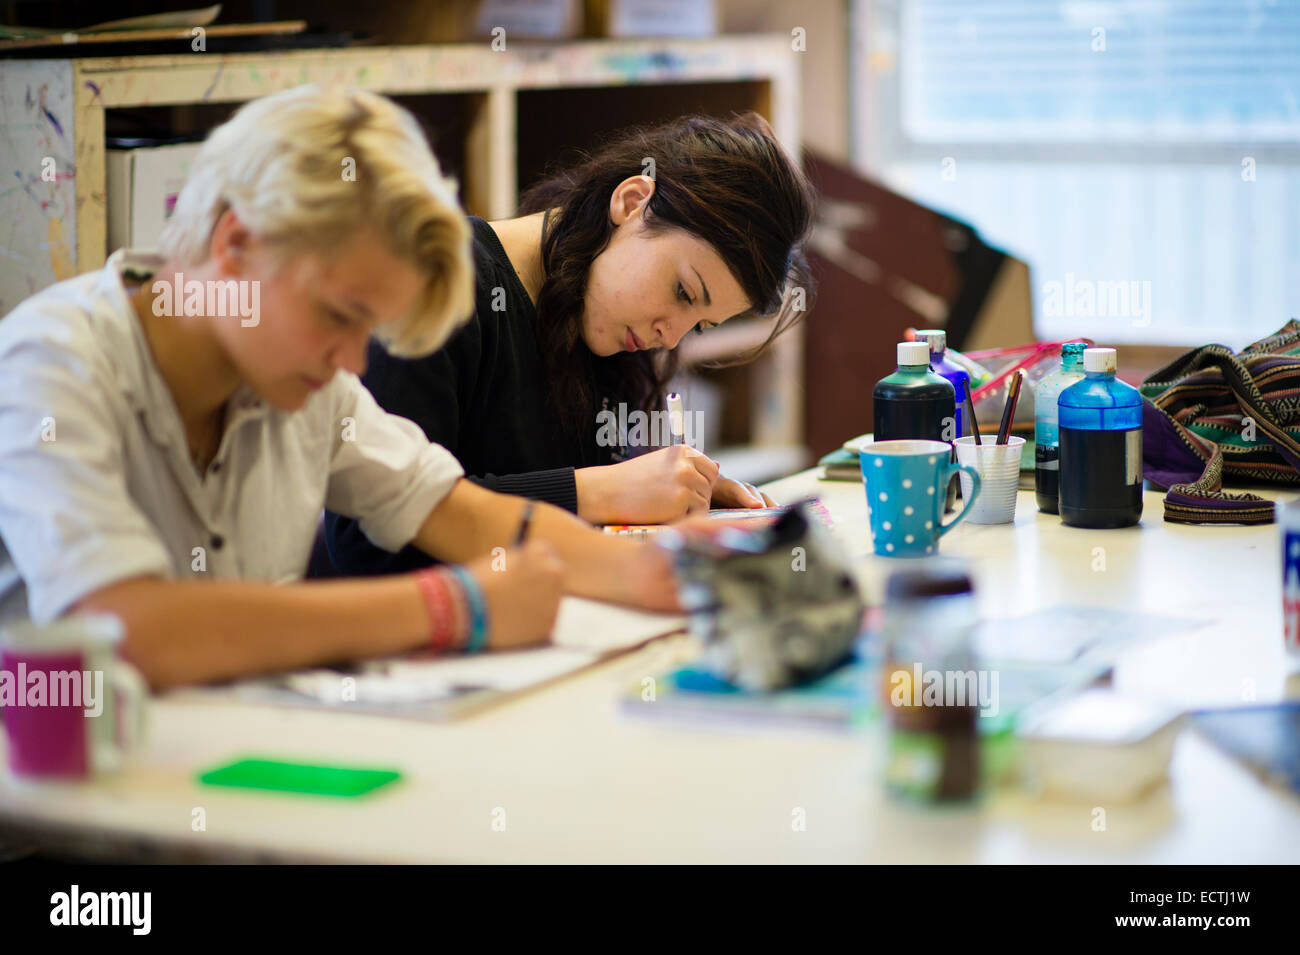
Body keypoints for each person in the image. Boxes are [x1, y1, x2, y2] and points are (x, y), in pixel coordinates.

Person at [0, 86, 678, 691]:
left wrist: (653, 575)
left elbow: (461, 512)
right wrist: (448, 607)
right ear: (236, 243)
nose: (353, 361)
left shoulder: (299, 379)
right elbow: (124, 629)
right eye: (340, 315)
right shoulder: (53, 363)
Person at [325, 112, 815, 577]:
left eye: (700, 324)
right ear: (630, 203)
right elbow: (366, 538)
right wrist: (602, 491)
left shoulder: (602, 327)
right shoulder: (439, 281)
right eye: (683, 292)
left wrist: (672, 495)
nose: (672, 335)